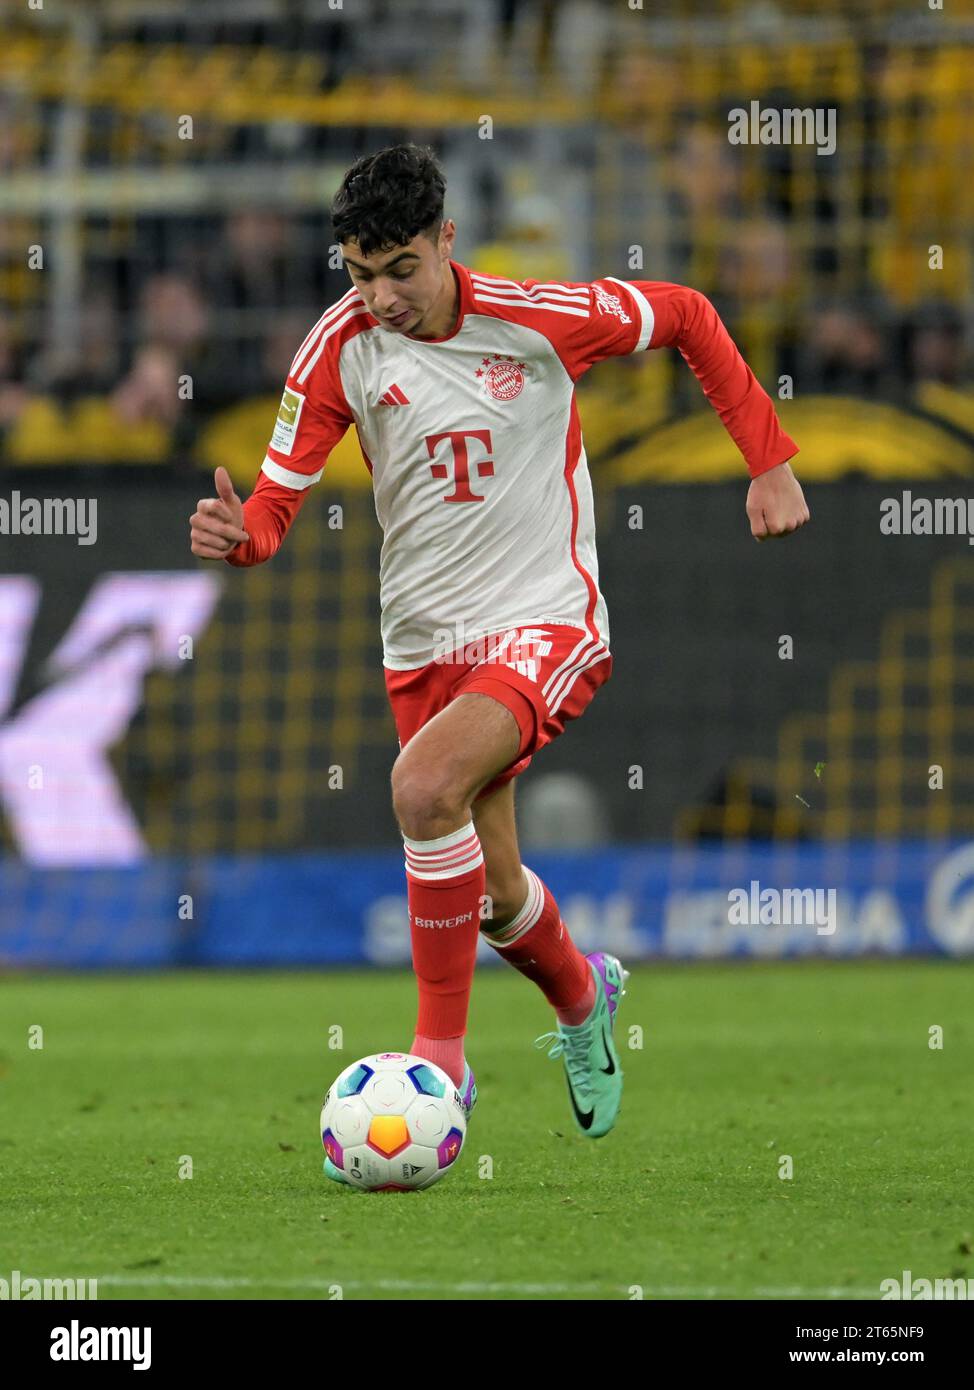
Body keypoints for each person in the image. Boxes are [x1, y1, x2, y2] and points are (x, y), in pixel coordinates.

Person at [189, 143, 809, 1170]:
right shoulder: (338, 348)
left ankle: (442, 1062)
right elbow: (274, 502)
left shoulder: (537, 316)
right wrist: (242, 534)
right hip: (423, 638)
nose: (378, 296)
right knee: (487, 888)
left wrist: (768, 460)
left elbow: (690, 313)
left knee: (422, 786)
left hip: (544, 616)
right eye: (357, 272)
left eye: (399, 268)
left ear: (445, 240)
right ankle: (581, 993)